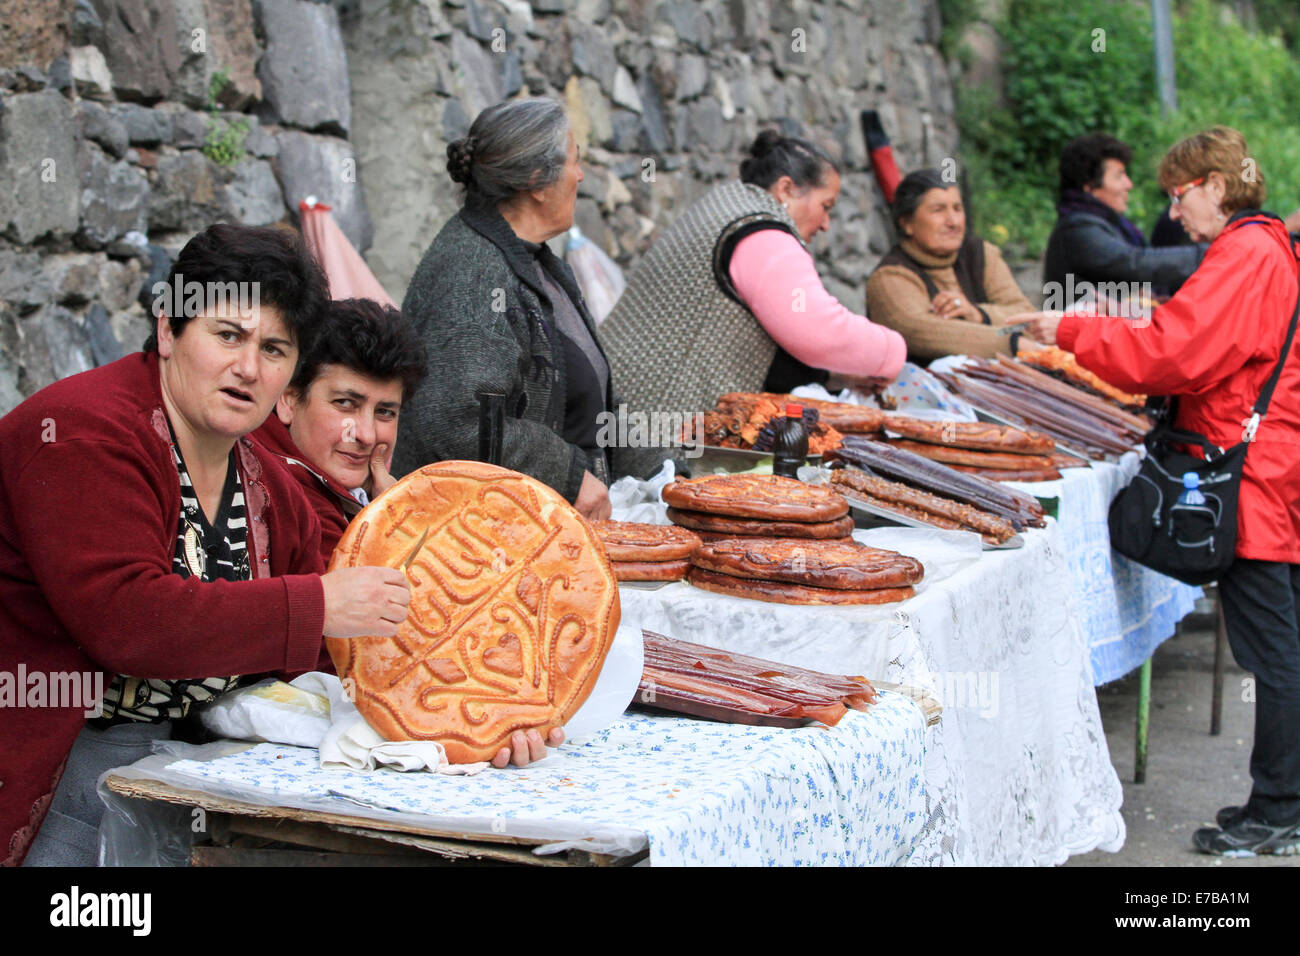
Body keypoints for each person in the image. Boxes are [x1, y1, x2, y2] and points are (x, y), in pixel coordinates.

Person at [0, 224, 414, 866]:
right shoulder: (85, 433)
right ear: (168, 331)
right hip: (51, 757)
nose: (249, 368)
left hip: (184, 759)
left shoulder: (269, 487)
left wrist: (465, 722)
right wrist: (316, 607)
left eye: (275, 349)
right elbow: (126, 620)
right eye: (228, 335)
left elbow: (340, 657)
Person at [1023, 127, 1300, 856]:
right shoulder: (1268, 247)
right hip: (1271, 465)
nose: (1173, 212)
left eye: (1179, 195)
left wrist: (1074, 330)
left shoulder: (1245, 250)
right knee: (1281, 644)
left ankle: (1280, 806)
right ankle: (1282, 798)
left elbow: (1171, 353)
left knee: (1272, 652)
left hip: (1253, 477)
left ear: (1215, 183)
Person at [398, 97, 621, 521]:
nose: (581, 174)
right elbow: (457, 421)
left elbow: (588, 389)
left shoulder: (540, 264)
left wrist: (664, 469)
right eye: (575, 160)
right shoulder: (473, 272)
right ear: (538, 181)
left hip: (553, 522)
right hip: (478, 538)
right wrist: (571, 476)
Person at [598, 130, 906, 420]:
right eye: (826, 206)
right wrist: (892, 351)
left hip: (623, 397)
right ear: (786, 189)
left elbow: (743, 342)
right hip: (654, 413)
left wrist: (833, 377)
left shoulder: (729, 204)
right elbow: (816, 329)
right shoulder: (761, 232)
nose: (826, 224)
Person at [253, 297, 429, 561]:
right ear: (288, 400)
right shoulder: (280, 500)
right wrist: (394, 525)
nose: (366, 435)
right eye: (345, 404)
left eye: (385, 412)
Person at [866, 169, 1038, 362]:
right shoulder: (890, 277)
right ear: (907, 223)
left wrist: (978, 314)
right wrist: (1012, 343)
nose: (953, 222)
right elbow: (922, 331)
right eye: (938, 210)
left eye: (957, 209)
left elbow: (1028, 319)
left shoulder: (981, 254)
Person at [1042, 134, 1205, 302]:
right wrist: (1206, 255)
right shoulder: (1076, 229)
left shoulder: (1105, 224)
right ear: (1089, 186)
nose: (1128, 184)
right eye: (1119, 176)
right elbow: (1132, 263)